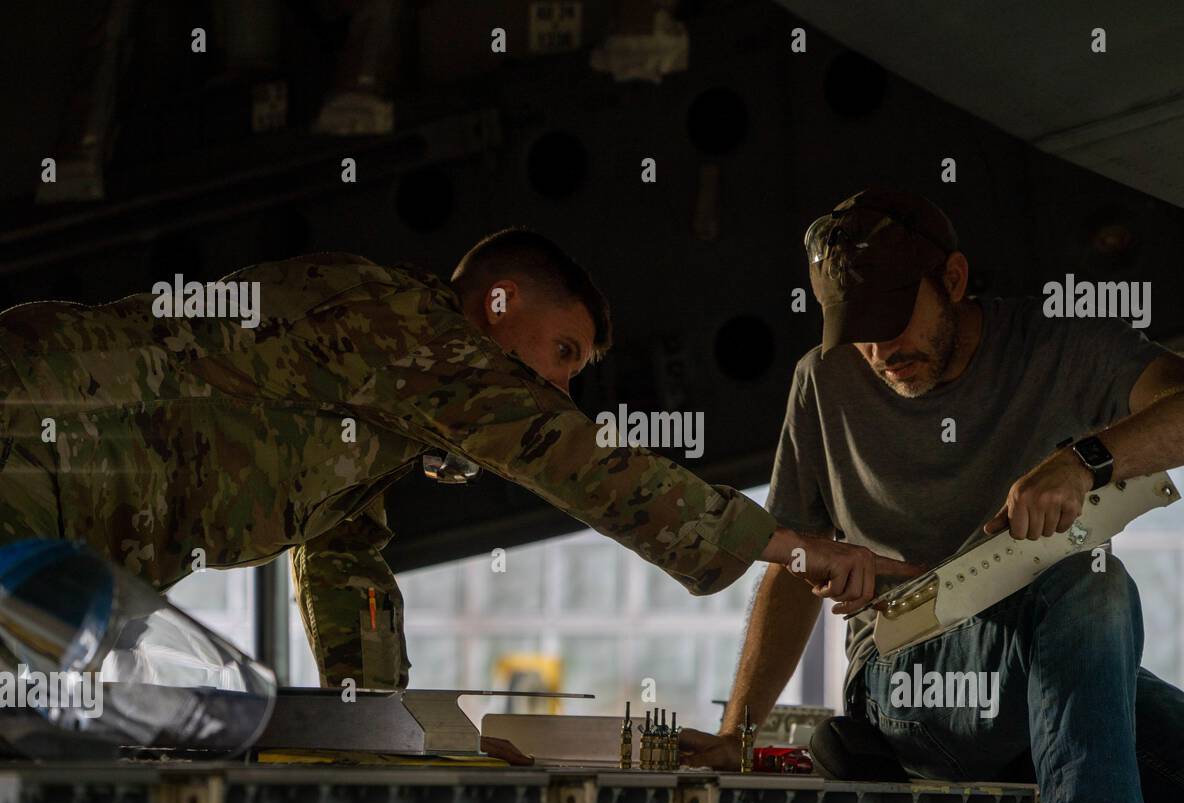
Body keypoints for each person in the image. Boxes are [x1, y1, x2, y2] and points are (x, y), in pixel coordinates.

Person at [680, 187, 1184, 803]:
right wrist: (737, 730)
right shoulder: (822, 382)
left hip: (1066, 671)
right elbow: (791, 566)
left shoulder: (1060, 348)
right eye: (858, 331)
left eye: (894, 318)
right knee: (1091, 582)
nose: (882, 348)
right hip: (909, 685)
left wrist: (1085, 460)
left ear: (953, 280)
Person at [0, 228, 894, 690]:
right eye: (565, 356)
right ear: (500, 305)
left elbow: (345, 557)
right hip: (39, 443)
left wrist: (367, 713)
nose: (564, 389)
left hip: (64, 501)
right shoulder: (405, 329)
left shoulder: (387, 405)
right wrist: (796, 548)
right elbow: (576, 459)